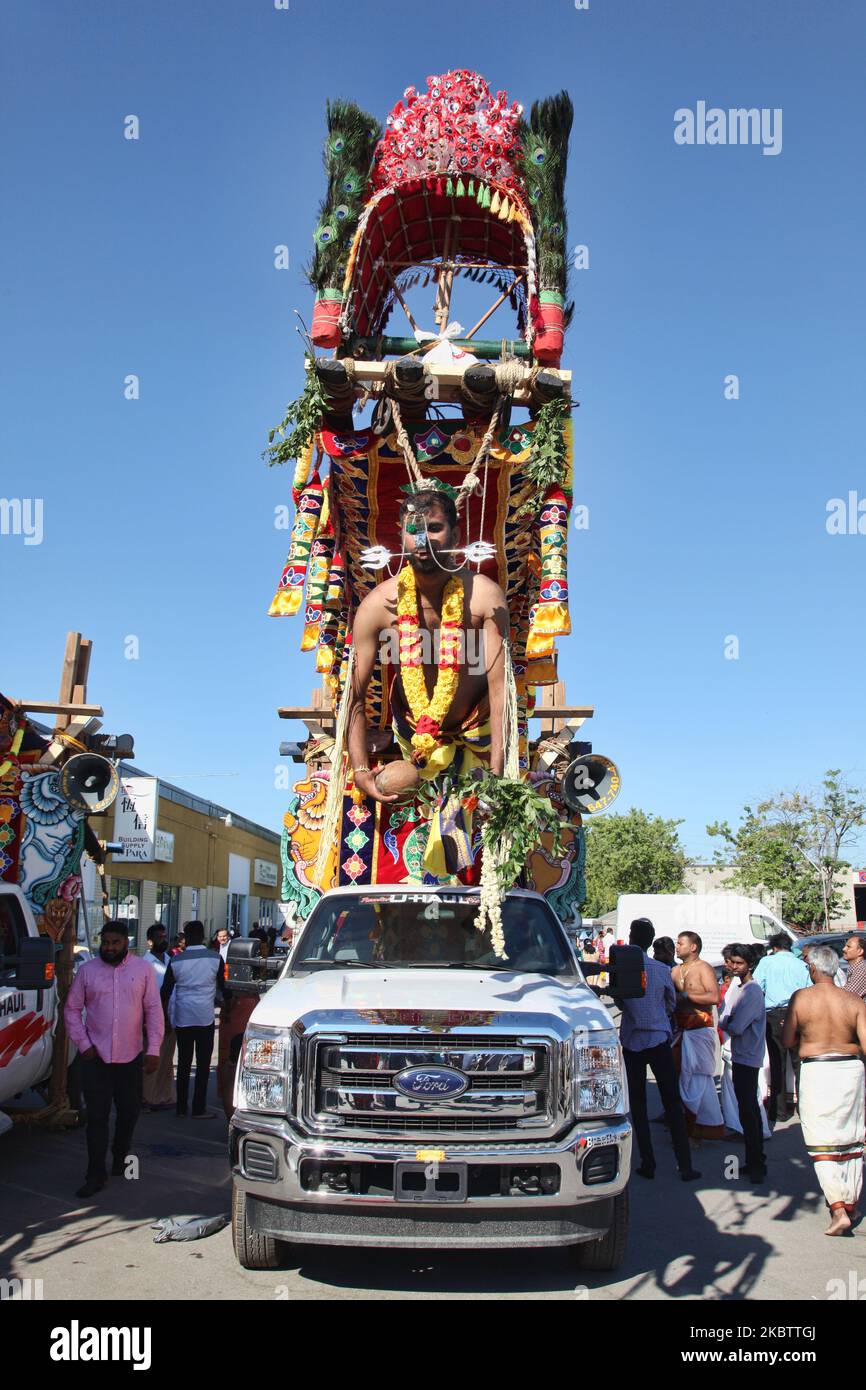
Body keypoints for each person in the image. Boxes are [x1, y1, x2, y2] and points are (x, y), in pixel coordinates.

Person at [348, 485, 509, 880]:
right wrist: (359, 770)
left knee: (475, 856)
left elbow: (500, 690)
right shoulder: (378, 606)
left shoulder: (484, 598)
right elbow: (352, 695)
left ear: (455, 536)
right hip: (414, 736)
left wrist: (499, 770)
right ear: (400, 536)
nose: (422, 541)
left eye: (434, 528)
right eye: (413, 530)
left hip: (478, 732)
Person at [64, 921, 163, 1198]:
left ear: (126, 944)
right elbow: (72, 1010)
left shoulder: (143, 970)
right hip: (95, 1057)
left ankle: (121, 1156)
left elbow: (153, 1010)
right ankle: (95, 1174)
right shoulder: (87, 971)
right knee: (96, 1117)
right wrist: (83, 1044)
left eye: (115, 943)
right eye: (105, 942)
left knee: (129, 1112)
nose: (108, 947)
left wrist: (153, 1048)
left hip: (130, 1057)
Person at [782, 944, 866, 1235]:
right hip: (851, 1068)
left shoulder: (802, 999)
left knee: (821, 1137)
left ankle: (839, 1207)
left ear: (814, 969)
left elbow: (788, 1039)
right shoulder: (854, 1001)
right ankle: (851, 1202)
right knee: (852, 1135)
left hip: (818, 1069)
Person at [617, 917, 700, 1182]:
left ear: (632, 937)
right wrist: (657, 1018)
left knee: (637, 1104)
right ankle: (684, 1165)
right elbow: (671, 1002)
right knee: (672, 1101)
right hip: (658, 1038)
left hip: (632, 1040)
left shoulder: (623, 966)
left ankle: (648, 1163)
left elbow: (619, 1000)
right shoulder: (661, 969)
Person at [161, 920, 224, 1118]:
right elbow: (224, 987)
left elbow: (165, 991)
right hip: (205, 1015)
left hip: (182, 1016)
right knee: (203, 1064)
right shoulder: (215, 958)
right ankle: (199, 1108)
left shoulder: (176, 960)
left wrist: (164, 1016)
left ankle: (181, 1107)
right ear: (204, 936)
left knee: (184, 1063)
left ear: (185, 938)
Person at [718, 944, 768, 1183]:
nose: (734, 966)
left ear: (749, 964)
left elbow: (734, 1025)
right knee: (747, 1111)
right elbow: (727, 1018)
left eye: (739, 963)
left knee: (749, 1111)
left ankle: (756, 1163)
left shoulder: (752, 991)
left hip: (748, 1056)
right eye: (732, 962)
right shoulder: (741, 988)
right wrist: (727, 1020)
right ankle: (753, 1159)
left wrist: (726, 1021)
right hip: (741, 1055)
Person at [753, 931, 811, 1123]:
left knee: (777, 1062)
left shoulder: (767, 963)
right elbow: (808, 989)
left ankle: (779, 1112)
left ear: (774, 947)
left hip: (774, 1014)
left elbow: (756, 987)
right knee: (799, 1063)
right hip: (798, 1012)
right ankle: (805, 1109)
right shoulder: (801, 965)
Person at [672, 931, 725, 1141]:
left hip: (700, 1030)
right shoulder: (675, 971)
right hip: (679, 1033)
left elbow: (714, 996)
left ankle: (695, 1130)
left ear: (693, 947)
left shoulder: (704, 968)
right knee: (681, 1079)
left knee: (698, 1079)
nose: (677, 946)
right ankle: (685, 1126)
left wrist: (687, 996)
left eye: (680, 943)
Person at [142, 924, 176, 1111]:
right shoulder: (144, 963)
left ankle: (164, 1096)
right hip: (151, 1018)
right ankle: (147, 1098)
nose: (163, 939)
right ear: (150, 941)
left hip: (170, 1017)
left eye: (164, 936)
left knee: (166, 1059)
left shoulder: (171, 960)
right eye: (159, 937)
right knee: (151, 1058)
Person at [842, 934, 866, 1000]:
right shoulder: (855, 968)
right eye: (845, 946)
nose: (843, 949)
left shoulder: (862, 970)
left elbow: (845, 996)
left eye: (848, 947)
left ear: (860, 951)